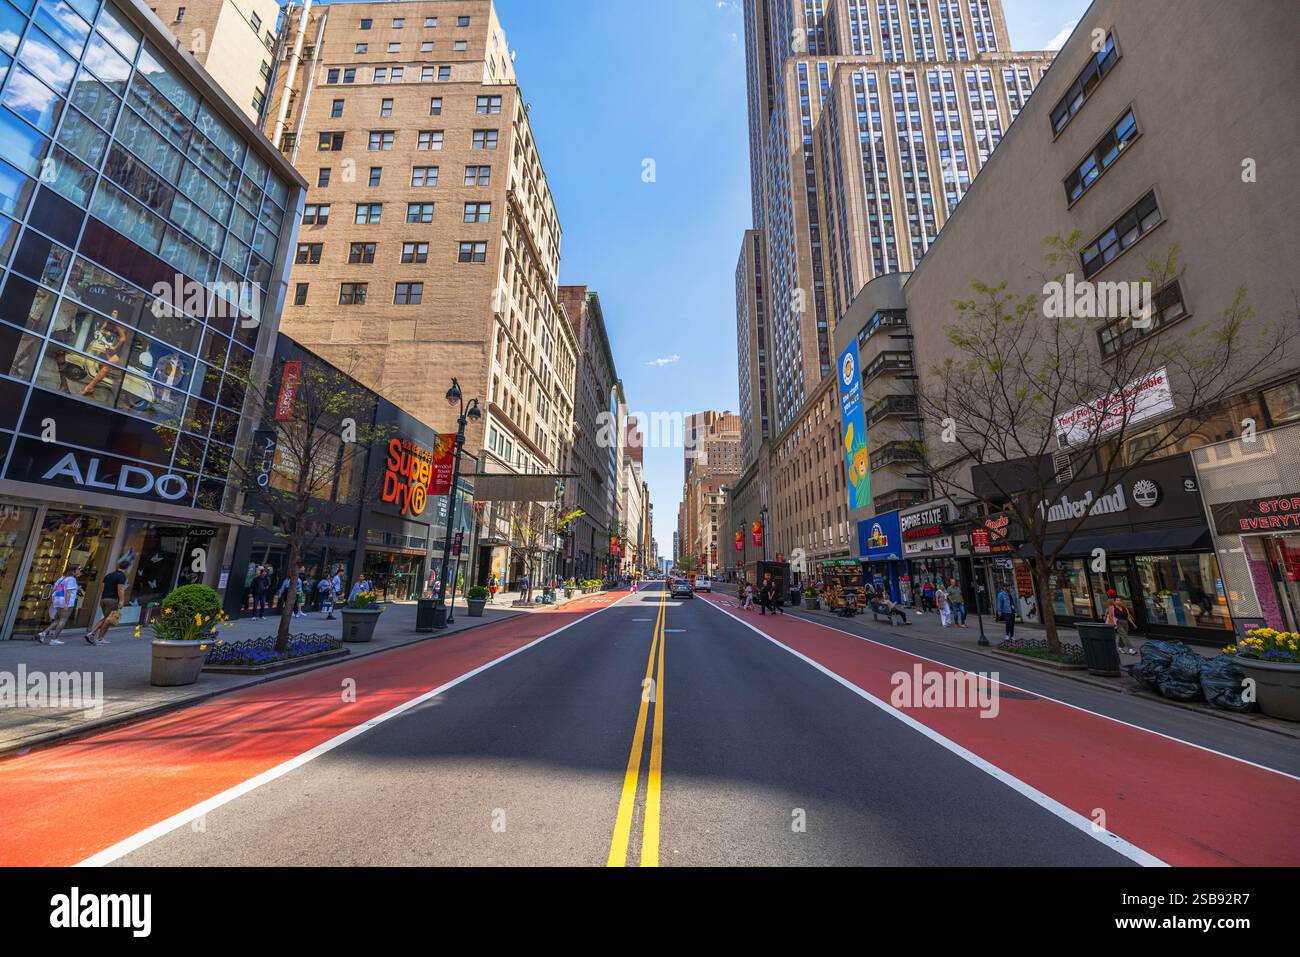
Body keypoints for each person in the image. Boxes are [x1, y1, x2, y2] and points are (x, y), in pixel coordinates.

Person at [86, 558, 131, 645]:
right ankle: (97, 637)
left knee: (106, 618)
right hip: (112, 600)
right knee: (108, 619)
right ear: (127, 568)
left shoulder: (108, 575)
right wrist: (122, 601)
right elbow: (120, 589)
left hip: (103, 599)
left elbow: (102, 588)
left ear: (119, 566)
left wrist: (105, 596)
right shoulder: (121, 576)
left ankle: (94, 635)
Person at [38, 563, 81, 645]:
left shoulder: (62, 578)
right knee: (63, 620)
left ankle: (43, 633)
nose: (79, 571)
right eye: (78, 569)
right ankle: (54, 639)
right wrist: (66, 604)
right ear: (73, 570)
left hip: (58, 600)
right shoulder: (71, 579)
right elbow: (68, 592)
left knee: (58, 619)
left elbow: (58, 590)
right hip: (66, 602)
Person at [1105, 589, 1138, 655]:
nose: (1119, 601)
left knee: (1122, 636)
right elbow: (1111, 616)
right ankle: (1130, 649)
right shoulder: (1112, 607)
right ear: (1114, 601)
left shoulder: (1124, 608)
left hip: (1125, 623)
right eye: (1117, 600)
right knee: (1124, 635)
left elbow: (1128, 616)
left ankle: (1120, 647)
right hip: (1118, 623)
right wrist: (1113, 624)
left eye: (1120, 600)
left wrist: (1133, 624)